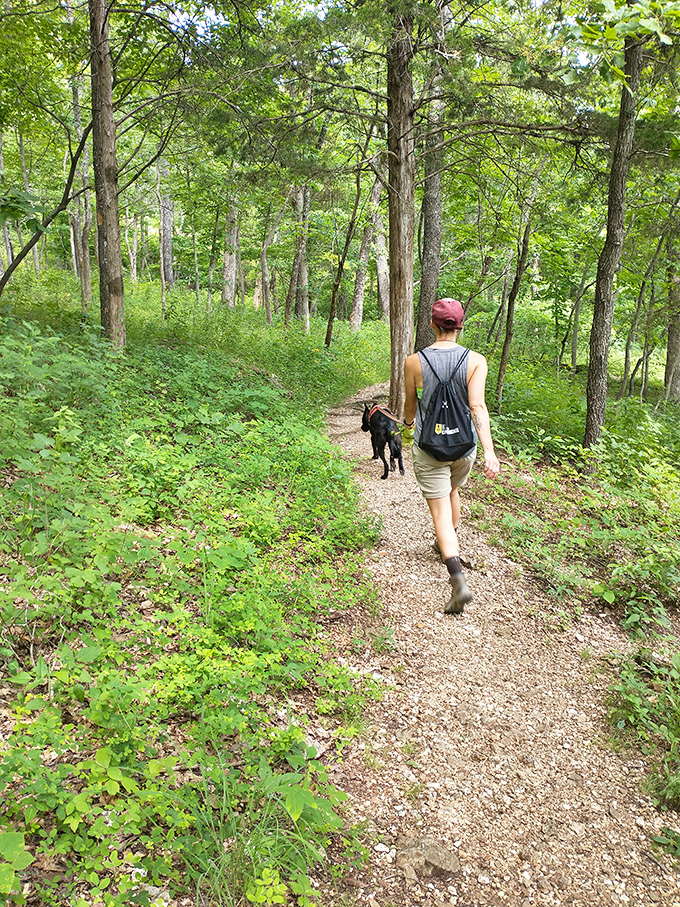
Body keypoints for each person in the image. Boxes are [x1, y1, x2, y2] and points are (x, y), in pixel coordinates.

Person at [403, 298, 500, 615]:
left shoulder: (414, 361)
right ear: (460, 326)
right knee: (452, 489)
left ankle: (457, 578)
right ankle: (448, 545)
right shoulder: (476, 361)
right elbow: (477, 407)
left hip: (429, 447)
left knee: (440, 515)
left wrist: (406, 429)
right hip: (463, 448)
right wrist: (490, 451)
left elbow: (410, 406)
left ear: (432, 324)